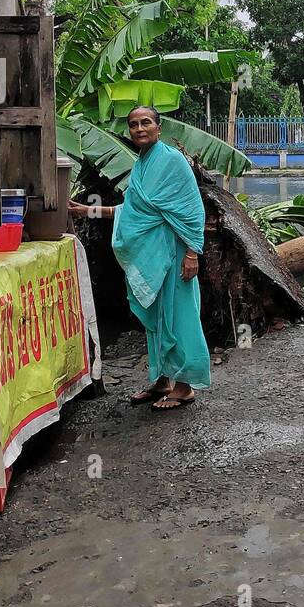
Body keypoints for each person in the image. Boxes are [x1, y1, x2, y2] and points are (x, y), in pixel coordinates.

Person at [69, 106, 210, 410]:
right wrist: (87, 210)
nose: (139, 128)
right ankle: (163, 381)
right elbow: (132, 210)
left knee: (180, 316)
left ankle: (184, 387)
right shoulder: (142, 164)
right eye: (133, 125)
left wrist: (191, 253)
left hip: (174, 252)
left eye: (146, 122)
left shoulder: (172, 160)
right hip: (152, 257)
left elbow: (192, 210)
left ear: (159, 128)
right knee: (157, 320)